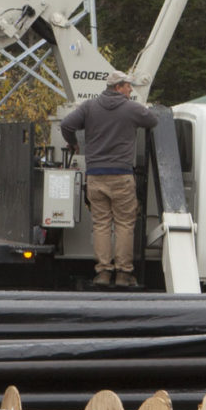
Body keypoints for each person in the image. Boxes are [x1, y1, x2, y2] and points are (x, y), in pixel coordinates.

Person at [58, 70, 158, 289]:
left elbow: (66, 124)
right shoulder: (131, 108)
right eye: (128, 86)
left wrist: (73, 143)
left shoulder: (89, 106)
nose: (131, 90)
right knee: (124, 224)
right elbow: (152, 120)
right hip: (121, 175)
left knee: (101, 225)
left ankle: (103, 272)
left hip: (95, 175)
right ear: (118, 87)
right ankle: (123, 273)